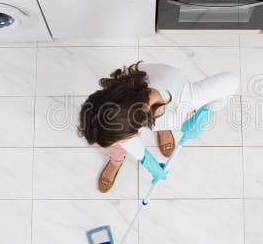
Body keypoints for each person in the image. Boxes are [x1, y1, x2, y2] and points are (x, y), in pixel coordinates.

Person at [78, 61, 239, 192]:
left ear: (133, 131)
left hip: (172, 102)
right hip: (147, 107)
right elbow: (123, 138)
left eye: (122, 138)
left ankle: (163, 130)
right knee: (117, 144)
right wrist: (148, 162)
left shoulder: (186, 100)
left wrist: (205, 114)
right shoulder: (118, 100)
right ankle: (116, 161)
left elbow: (231, 81)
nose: (123, 141)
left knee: (163, 121)